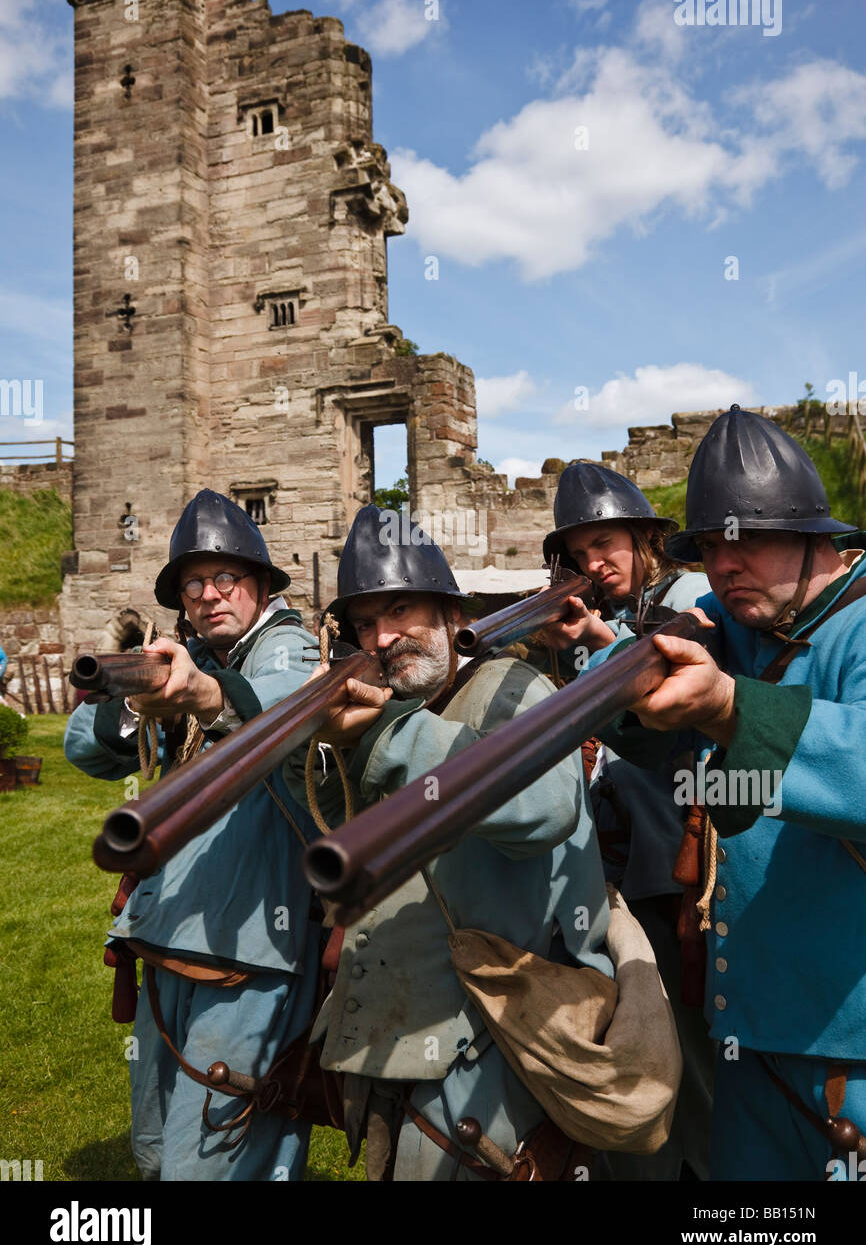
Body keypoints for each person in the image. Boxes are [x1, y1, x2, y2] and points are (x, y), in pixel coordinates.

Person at [283, 503, 616, 1181]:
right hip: (399, 1029)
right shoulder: (396, 713)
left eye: (400, 610)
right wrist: (309, 740)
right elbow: (329, 813)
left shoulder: (514, 688)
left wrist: (388, 735)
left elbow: (546, 808)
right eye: (366, 623)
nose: (383, 637)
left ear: (452, 615)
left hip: (493, 1036)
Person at [591, 406, 866, 1180]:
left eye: (746, 540)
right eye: (710, 546)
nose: (723, 564)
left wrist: (729, 704)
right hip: (748, 1037)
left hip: (853, 1047)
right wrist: (640, 659)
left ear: (813, 537)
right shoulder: (729, 621)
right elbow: (609, 683)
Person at [65, 489, 321, 1181]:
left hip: (251, 946)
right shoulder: (192, 656)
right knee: (155, 1148)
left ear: (260, 582)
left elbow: (278, 710)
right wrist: (135, 696)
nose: (209, 595)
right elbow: (82, 749)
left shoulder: (291, 650)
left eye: (225, 577)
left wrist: (202, 695)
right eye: (193, 583)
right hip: (171, 931)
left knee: (211, 1157)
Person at [539, 462, 714, 1180]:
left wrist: (600, 641)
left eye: (605, 544)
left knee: (700, 1063)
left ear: (645, 539)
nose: (594, 564)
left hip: (684, 877)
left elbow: (670, 692)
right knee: (639, 1053)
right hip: (624, 874)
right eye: (579, 554)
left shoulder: (693, 599)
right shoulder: (612, 621)